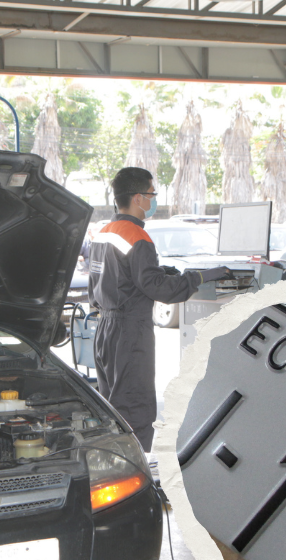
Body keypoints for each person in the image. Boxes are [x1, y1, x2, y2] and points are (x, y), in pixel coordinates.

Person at [88, 167, 231, 452]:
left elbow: (119, 277)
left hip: (105, 329)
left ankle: (116, 465)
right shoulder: (137, 237)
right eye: (152, 194)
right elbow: (159, 290)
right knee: (134, 406)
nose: (153, 200)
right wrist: (200, 277)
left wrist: (158, 271)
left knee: (114, 404)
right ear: (139, 198)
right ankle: (136, 475)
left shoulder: (104, 232)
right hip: (130, 332)